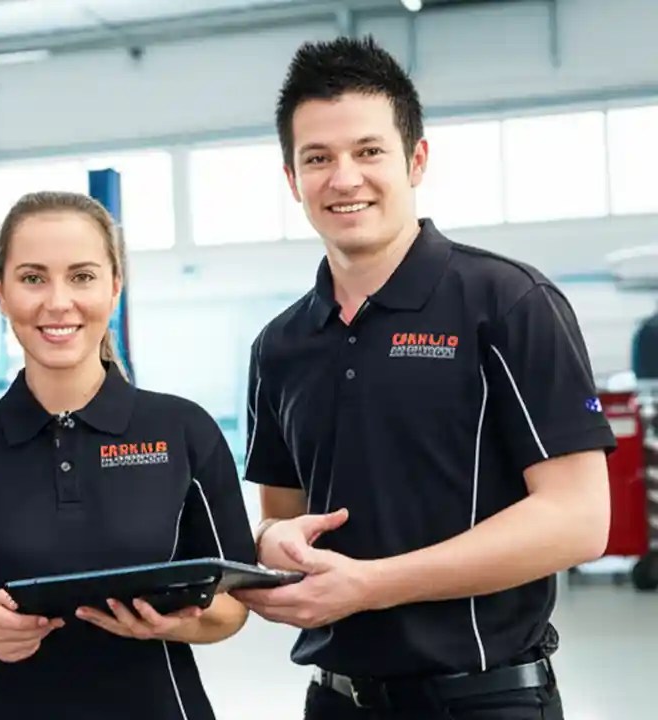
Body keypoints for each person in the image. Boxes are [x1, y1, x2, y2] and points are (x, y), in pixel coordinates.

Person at [231, 36, 616, 720]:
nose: (344, 178)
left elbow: (579, 521)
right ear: (291, 179)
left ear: (416, 160)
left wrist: (372, 584)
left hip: (483, 698)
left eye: (368, 151)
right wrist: (267, 546)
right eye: (317, 158)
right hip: (336, 700)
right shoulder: (280, 347)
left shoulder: (508, 303)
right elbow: (284, 519)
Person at [0, 191, 256, 719]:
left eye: (82, 276)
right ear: (1, 291)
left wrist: (177, 623)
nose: (58, 302)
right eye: (33, 278)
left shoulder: (183, 431)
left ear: (115, 287)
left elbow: (234, 602)